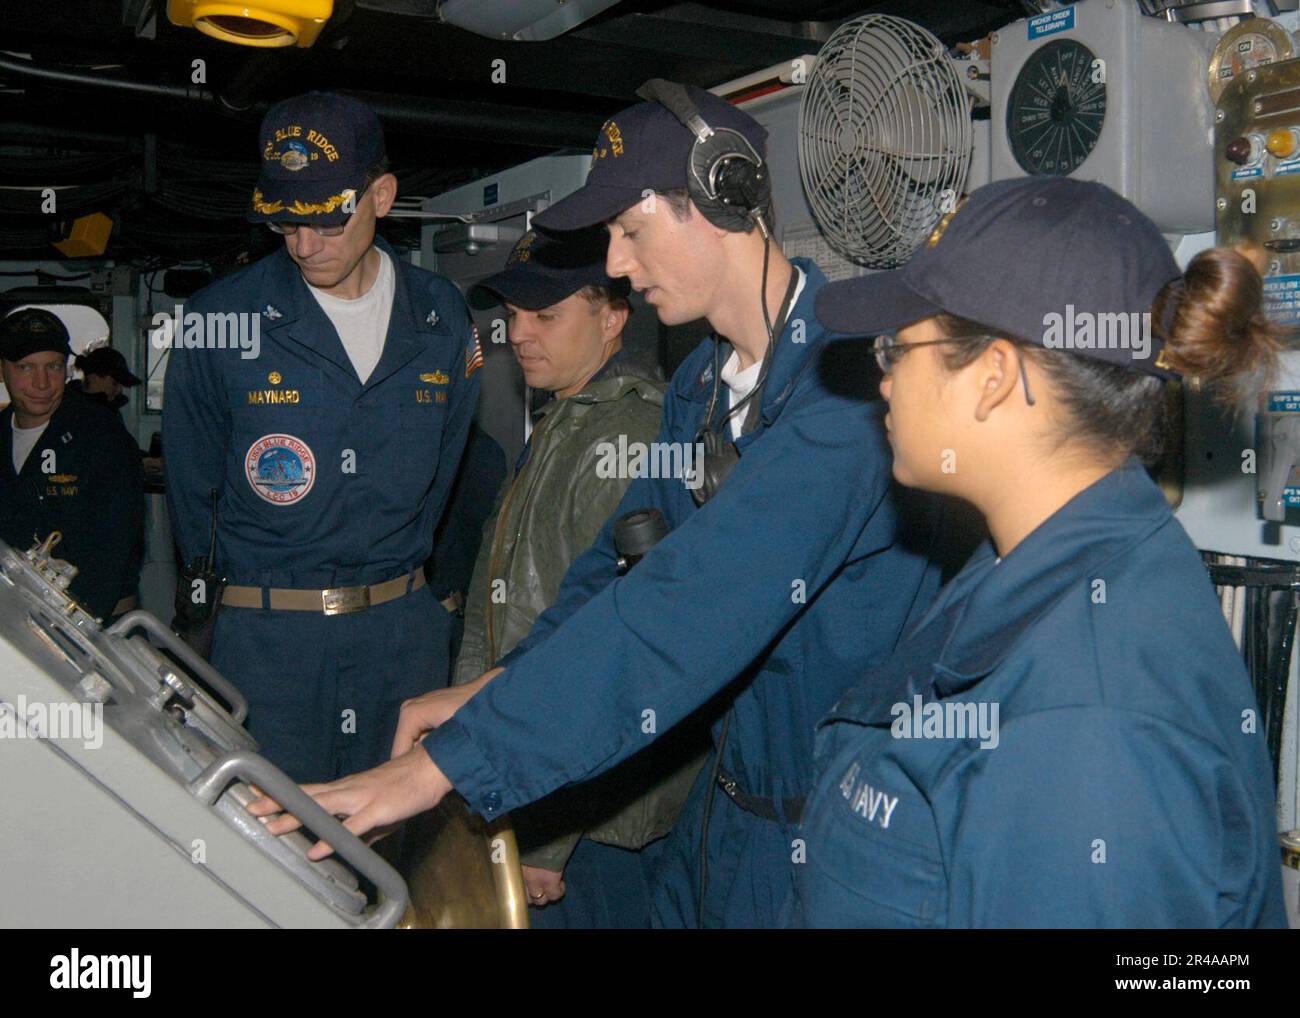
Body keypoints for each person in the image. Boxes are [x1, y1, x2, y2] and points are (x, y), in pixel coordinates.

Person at [253, 81, 947, 928]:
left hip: (838, 834)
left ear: (719, 201)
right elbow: (612, 579)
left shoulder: (846, 392)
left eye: (629, 229)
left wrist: (445, 768)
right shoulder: (701, 386)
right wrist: (496, 687)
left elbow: (684, 608)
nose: (616, 263)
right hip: (725, 815)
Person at [795, 176, 1287, 927]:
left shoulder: (1087, 729)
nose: (884, 378)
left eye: (899, 347)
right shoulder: (1034, 565)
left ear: (992, 378)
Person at [163, 92, 480, 783]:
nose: (305, 246)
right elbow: (194, 494)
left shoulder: (440, 315)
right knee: (269, 860)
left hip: (401, 640)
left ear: (383, 195)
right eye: (284, 222)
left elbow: (447, 471)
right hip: (267, 646)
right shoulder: (223, 319)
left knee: (398, 859)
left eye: (326, 219)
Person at [457, 227, 706, 927]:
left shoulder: (625, 436)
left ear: (613, 317)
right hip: (541, 785)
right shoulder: (569, 419)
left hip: (593, 824)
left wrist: (549, 834)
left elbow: (616, 653)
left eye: (546, 315)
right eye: (511, 317)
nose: (519, 335)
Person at [0, 308, 144, 619]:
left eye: (52, 366)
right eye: (26, 367)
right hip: (14, 620)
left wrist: (76, 620)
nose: (42, 383)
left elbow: (113, 549)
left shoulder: (103, 438)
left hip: (90, 622)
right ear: (3, 369)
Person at [71, 346, 141, 413]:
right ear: (93, 378)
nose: (119, 390)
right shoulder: (77, 414)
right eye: (114, 383)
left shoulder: (107, 410)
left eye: (121, 385)